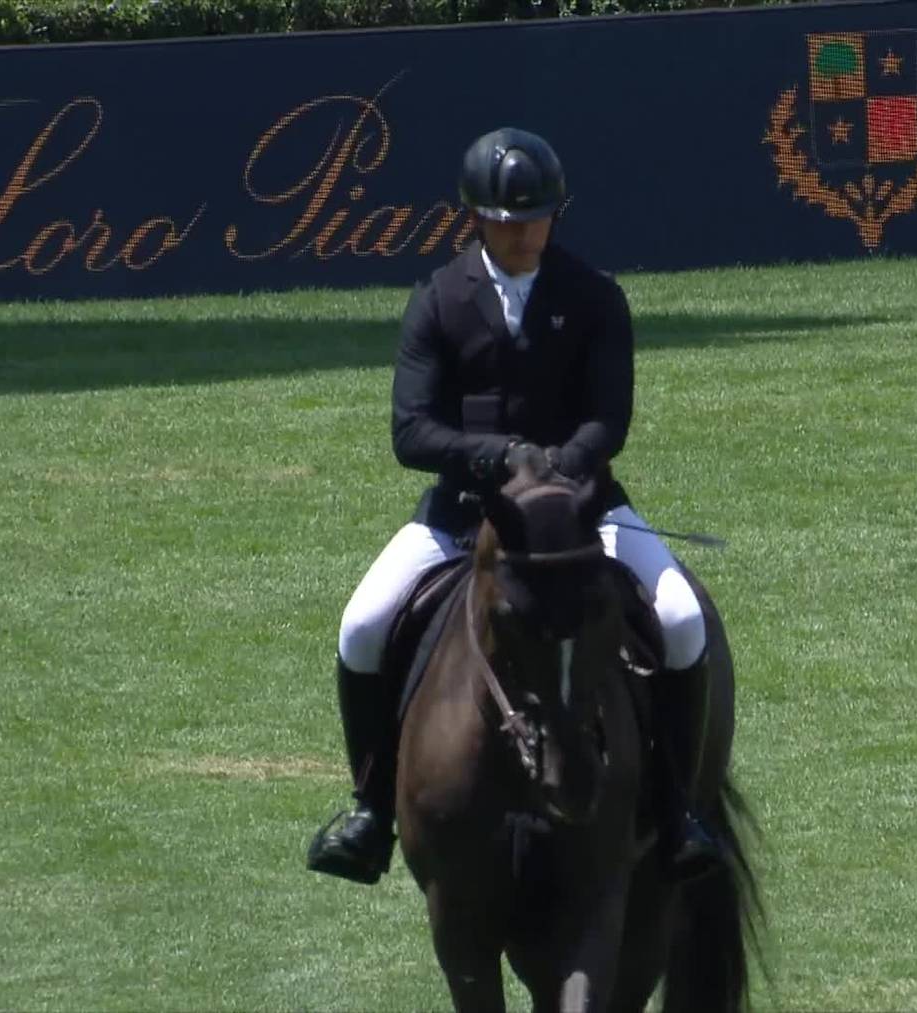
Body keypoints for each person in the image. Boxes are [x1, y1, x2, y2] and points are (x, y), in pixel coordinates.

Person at [306, 127, 722, 885]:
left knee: (684, 618)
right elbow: (412, 428)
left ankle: (678, 809)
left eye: (538, 216)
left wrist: (564, 467)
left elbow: (609, 416)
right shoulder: (439, 299)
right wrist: (496, 458)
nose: (525, 231)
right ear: (477, 218)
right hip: (464, 515)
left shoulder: (594, 296)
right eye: (508, 219)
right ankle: (371, 810)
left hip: (579, 514)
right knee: (362, 623)